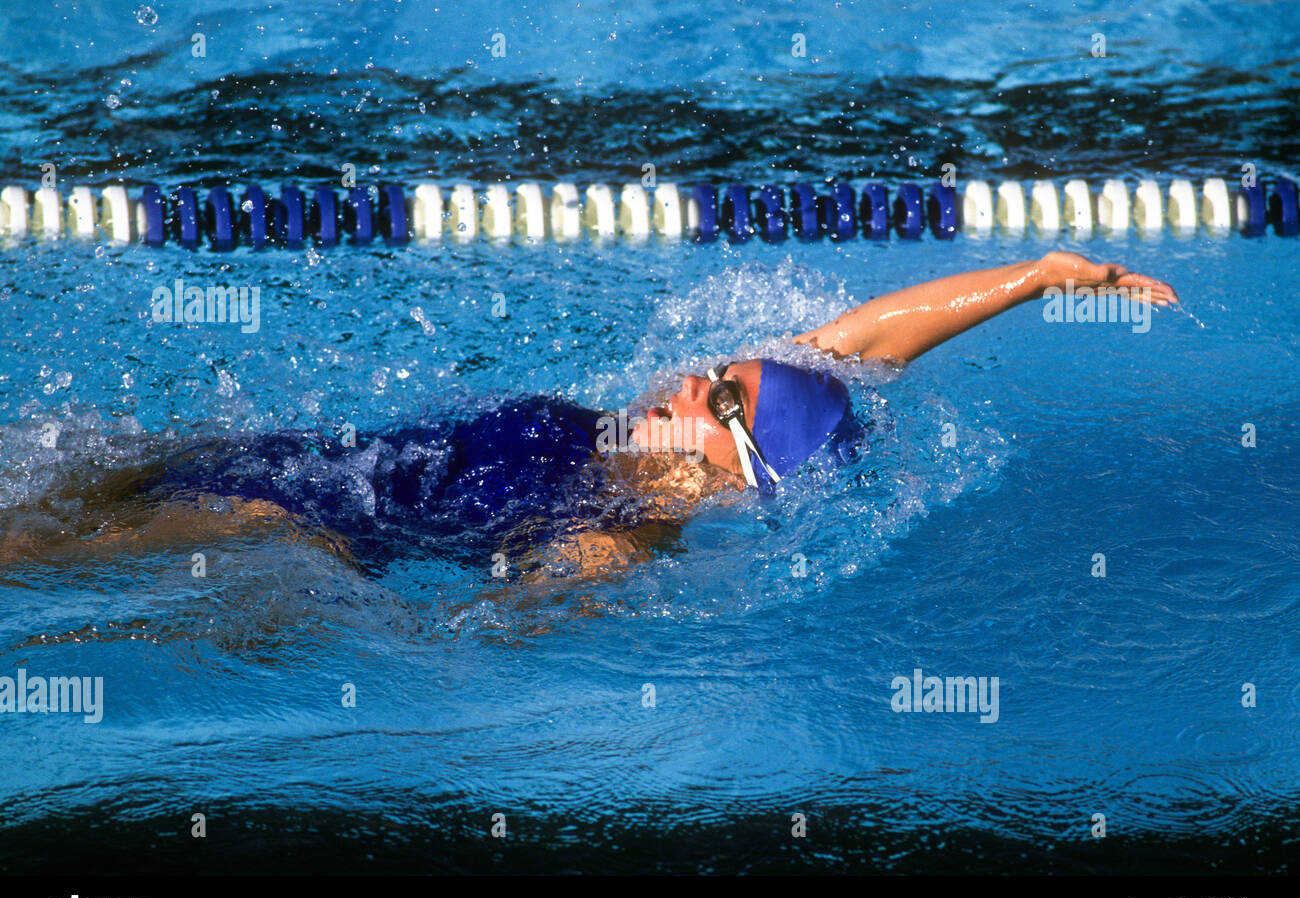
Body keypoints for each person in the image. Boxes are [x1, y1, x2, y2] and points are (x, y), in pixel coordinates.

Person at [2, 251, 1176, 578]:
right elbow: (853, 347)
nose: (692, 376)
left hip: (296, 527)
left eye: (717, 395)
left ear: (734, 467)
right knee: (64, 463)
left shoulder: (621, 525)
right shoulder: (655, 434)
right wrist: (1031, 276)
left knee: (37, 552)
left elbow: (523, 623)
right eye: (723, 365)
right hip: (316, 459)